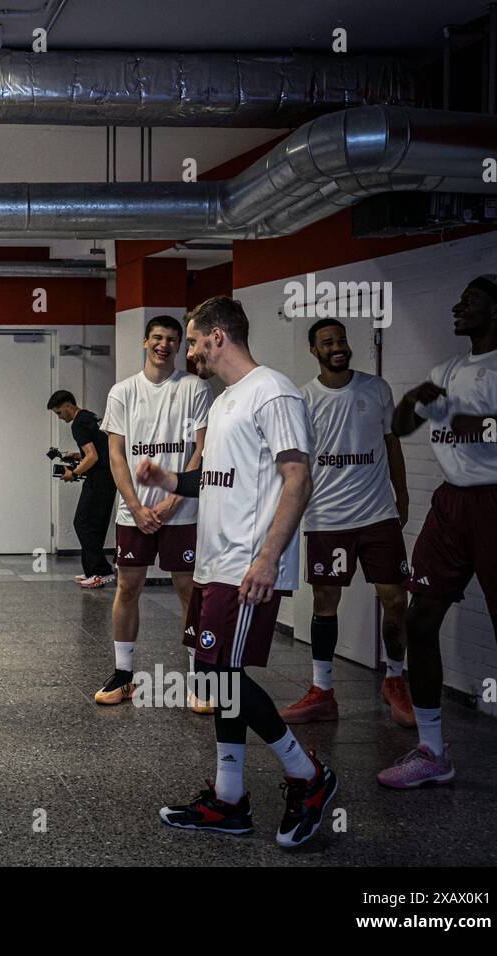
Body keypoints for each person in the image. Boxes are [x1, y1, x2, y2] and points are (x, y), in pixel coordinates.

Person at [137, 296, 338, 849]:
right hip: (214, 564)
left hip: (248, 565)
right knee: (212, 675)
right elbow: (217, 480)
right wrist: (170, 478)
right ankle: (229, 801)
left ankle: (306, 775)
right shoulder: (225, 401)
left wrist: (269, 558)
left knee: (224, 676)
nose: (191, 350)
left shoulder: (272, 392)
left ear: (218, 338)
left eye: (196, 340)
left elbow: (297, 478)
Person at [379, 274, 497, 809]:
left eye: (470, 300)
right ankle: (431, 752)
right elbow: (402, 426)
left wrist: (492, 424)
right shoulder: (445, 370)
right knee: (419, 621)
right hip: (451, 505)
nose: (458, 306)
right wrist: (411, 397)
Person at [279, 319, 414, 727]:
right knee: (326, 603)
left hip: (377, 515)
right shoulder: (303, 399)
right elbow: (296, 462)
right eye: (327, 343)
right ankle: (322, 690)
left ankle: (394, 679)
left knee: (394, 600)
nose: (337, 347)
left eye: (340, 340)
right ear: (313, 351)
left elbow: (391, 444)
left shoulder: (376, 389)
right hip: (327, 519)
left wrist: (402, 495)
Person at [97, 315, 211, 710]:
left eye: (172, 340)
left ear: (179, 347)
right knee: (128, 589)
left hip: (180, 511)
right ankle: (124, 675)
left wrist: (172, 499)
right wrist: (135, 506)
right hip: (135, 513)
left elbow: (202, 450)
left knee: (188, 592)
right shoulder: (122, 392)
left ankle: (199, 680)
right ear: (146, 342)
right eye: (158, 338)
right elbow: (115, 454)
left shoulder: (195, 387)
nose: (164, 345)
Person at [47, 390, 117, 589]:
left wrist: (74, 473)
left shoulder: (78, 424)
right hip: (108, 477)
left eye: (60, 413)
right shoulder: (90, 416)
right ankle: (92, 570)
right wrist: (77, 456)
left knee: (82, 522)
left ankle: (102, 571)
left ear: (69, 405)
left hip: (99, 480)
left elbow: (93, 456)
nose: (60, 418)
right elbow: (99, 450)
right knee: (95, 525)